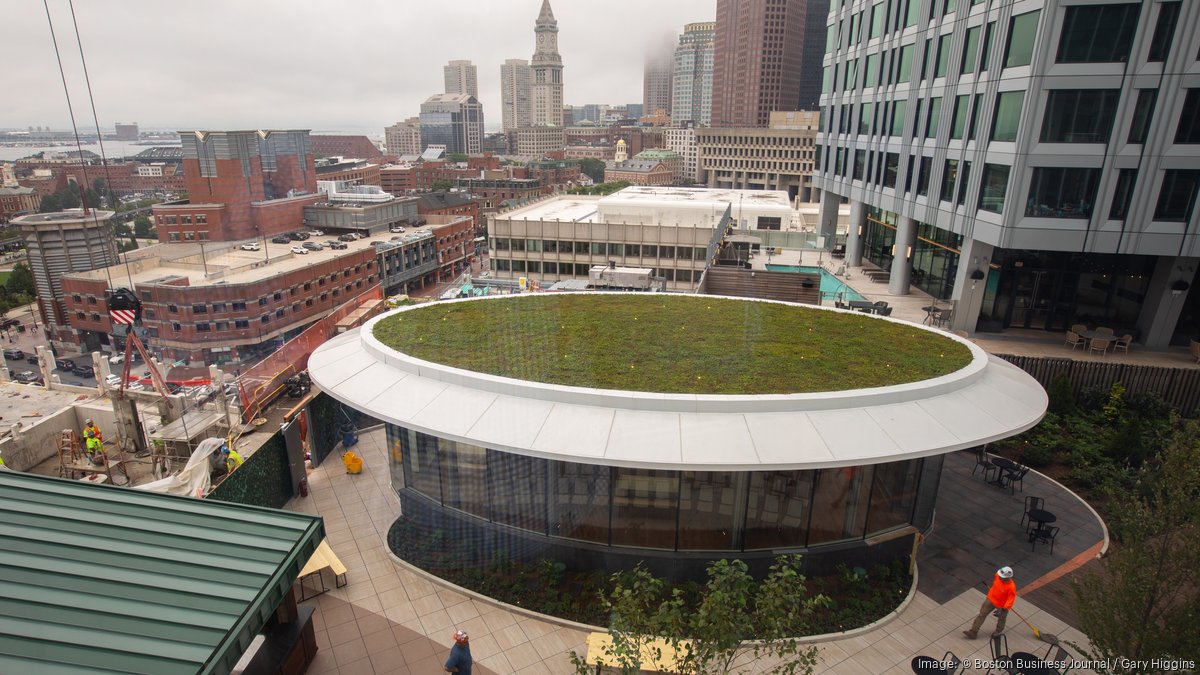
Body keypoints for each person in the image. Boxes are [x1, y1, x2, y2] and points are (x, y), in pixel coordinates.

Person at [963, 566, 1016, 639]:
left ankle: (998, 631)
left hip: (1001, 605)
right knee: (982, 614)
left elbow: (1010, 600)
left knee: (1001, 618)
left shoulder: (1011, 587)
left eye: (1002, 577)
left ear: (1007, 578)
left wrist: (1004, 609)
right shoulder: (998, 575)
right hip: (991, 599)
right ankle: (973, 632)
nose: (1000, 577)